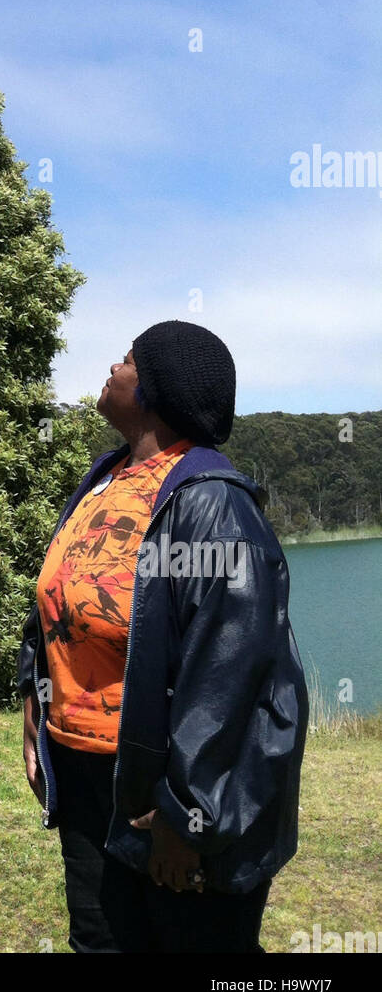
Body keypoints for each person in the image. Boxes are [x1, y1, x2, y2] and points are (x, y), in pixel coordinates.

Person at [17, 320, 308, 953]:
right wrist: (35, 704)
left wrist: (186, 814)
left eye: (126, 360)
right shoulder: (104, 480)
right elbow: (53, 604)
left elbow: (230, 676)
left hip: (163, 790)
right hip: (90, 777)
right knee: (101, 942)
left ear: (153, 391)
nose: (112, 369)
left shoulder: (213, 505)